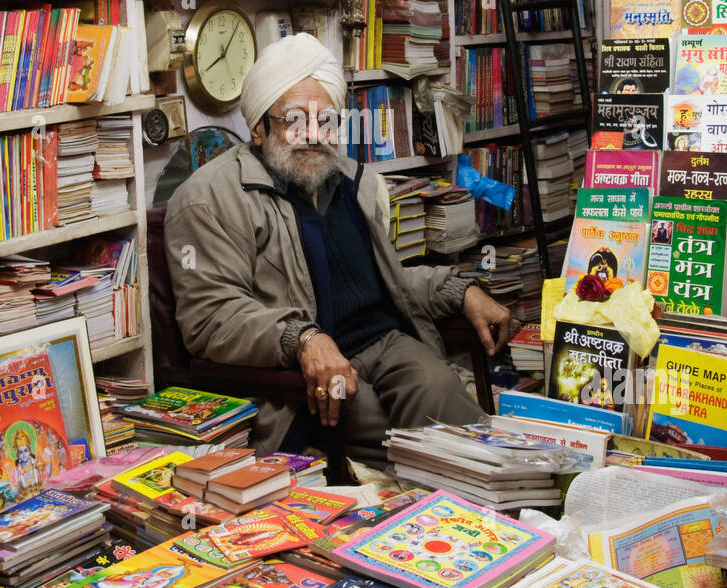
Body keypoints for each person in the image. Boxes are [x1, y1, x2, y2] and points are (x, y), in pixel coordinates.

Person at [165, 32, 513, 462]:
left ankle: (503, 513)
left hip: (384, 343)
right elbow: (211, 319)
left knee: (442, 395)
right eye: (295, 119)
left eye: (325, 120)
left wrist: (460, 290)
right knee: (408, 442)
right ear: (258, 127)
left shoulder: (355, 181)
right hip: (300, 373)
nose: (314, 135)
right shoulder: (210, 198)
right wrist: (303, 338)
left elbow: (388, 281)